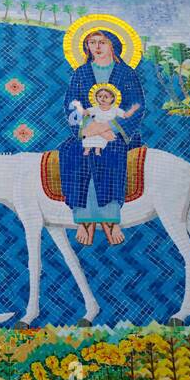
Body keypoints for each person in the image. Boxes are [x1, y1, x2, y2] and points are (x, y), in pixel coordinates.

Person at [60, 29, 144, 246]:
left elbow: (136, 106)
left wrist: (111, 126)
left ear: (113, 46)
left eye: (102, 42)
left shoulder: (126, 74)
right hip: (88, 130)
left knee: (112, 154)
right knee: (72, 153)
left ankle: (110, 218)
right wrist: (86, 127)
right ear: (86, 47)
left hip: (114, 132)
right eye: (92, 42)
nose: (97, 47)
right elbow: (72, 104)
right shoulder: (81, 73)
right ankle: (84, 219)